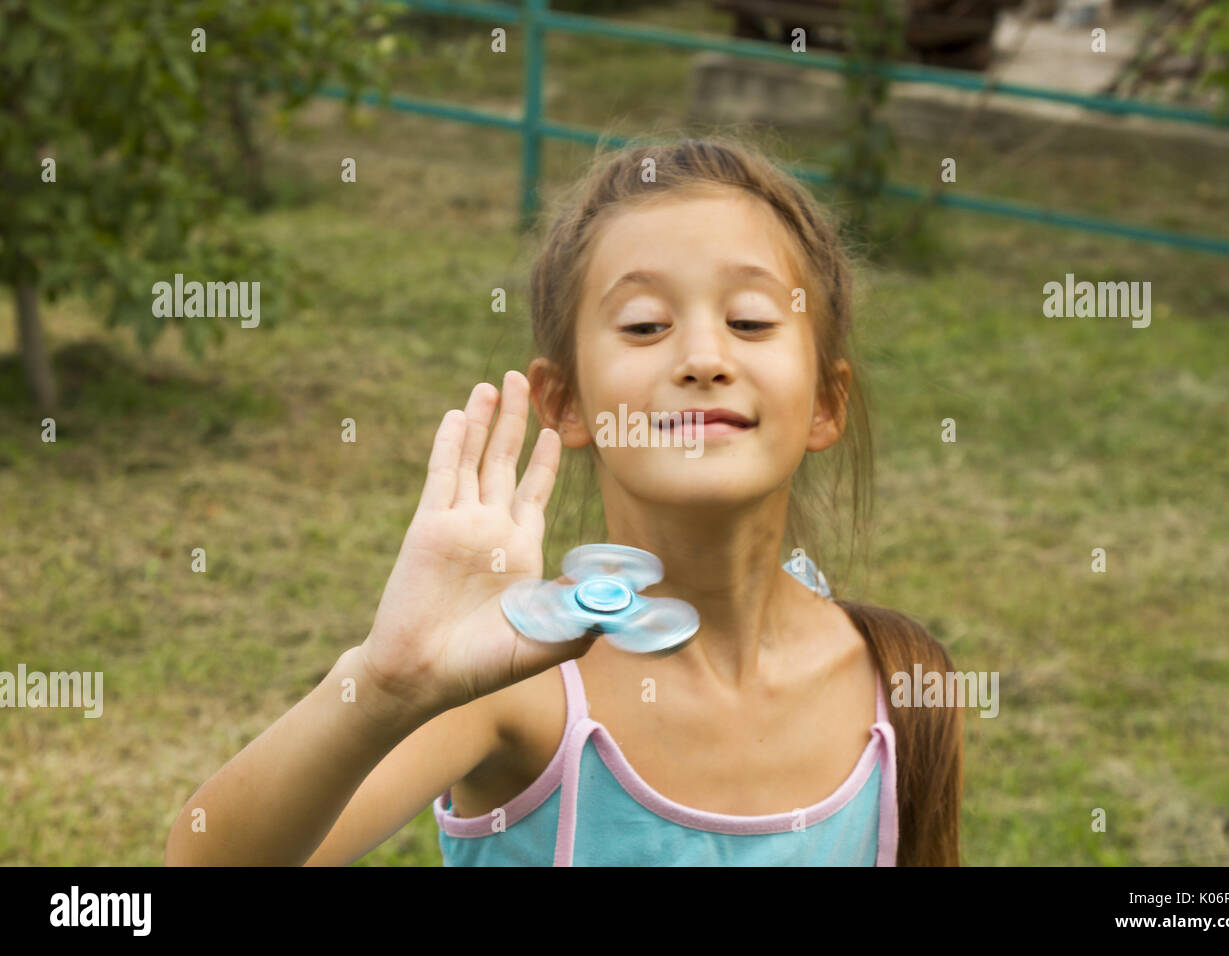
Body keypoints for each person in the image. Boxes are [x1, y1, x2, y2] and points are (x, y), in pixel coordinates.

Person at [164, 137, 963, 867]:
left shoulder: (900, 685)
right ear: (566, 401)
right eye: (646, 325)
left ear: (826, 401)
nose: (704, 357)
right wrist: (385, 686)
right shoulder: (511, 683)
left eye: (751, 320)